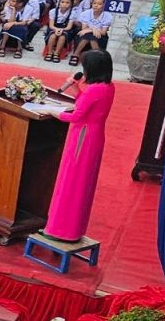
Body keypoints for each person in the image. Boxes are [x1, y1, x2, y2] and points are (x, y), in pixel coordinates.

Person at [42, 49, 117, 242]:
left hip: (83, 138)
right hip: (93, 136)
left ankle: (61, 228)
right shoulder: (108, 86)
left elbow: (76, 116)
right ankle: (68, 228)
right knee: (80, 183)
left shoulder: (95, 89)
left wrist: (53, 112)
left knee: (72, 181)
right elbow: (86, 104)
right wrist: (76, 90)